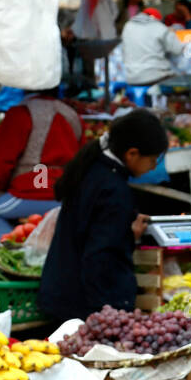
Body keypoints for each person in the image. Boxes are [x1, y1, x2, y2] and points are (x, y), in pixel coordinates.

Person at [39, 109, 168, 324]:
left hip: (61, 293)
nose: (154, 166)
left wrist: (127, 231)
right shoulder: (114, 190)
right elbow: (101, 256)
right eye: (153, 160)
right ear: (132, 154)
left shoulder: (92, 169)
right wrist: (110, 315)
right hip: (82, 306)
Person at [0, 87, 83, 223]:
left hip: (30, 190)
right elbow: (83, 158)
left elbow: (0, 162)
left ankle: (4, 244)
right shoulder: (72, 115)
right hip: (65, 194)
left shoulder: (20, 113)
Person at [121, 7, 183, 87]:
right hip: (155, 76)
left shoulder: (127, 26)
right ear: (156, 19)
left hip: (131, 77)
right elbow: (177, 49)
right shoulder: (159, 27)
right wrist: (171, 33)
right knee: (182, 83)